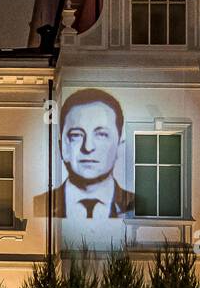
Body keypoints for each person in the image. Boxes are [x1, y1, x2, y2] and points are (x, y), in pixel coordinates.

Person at [37, 88, 134, 218]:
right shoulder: (39, 205)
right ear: (63, 147)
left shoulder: (136, 206)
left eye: (101, 134)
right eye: (76, 135)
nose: (88, 147)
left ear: (119, 146)